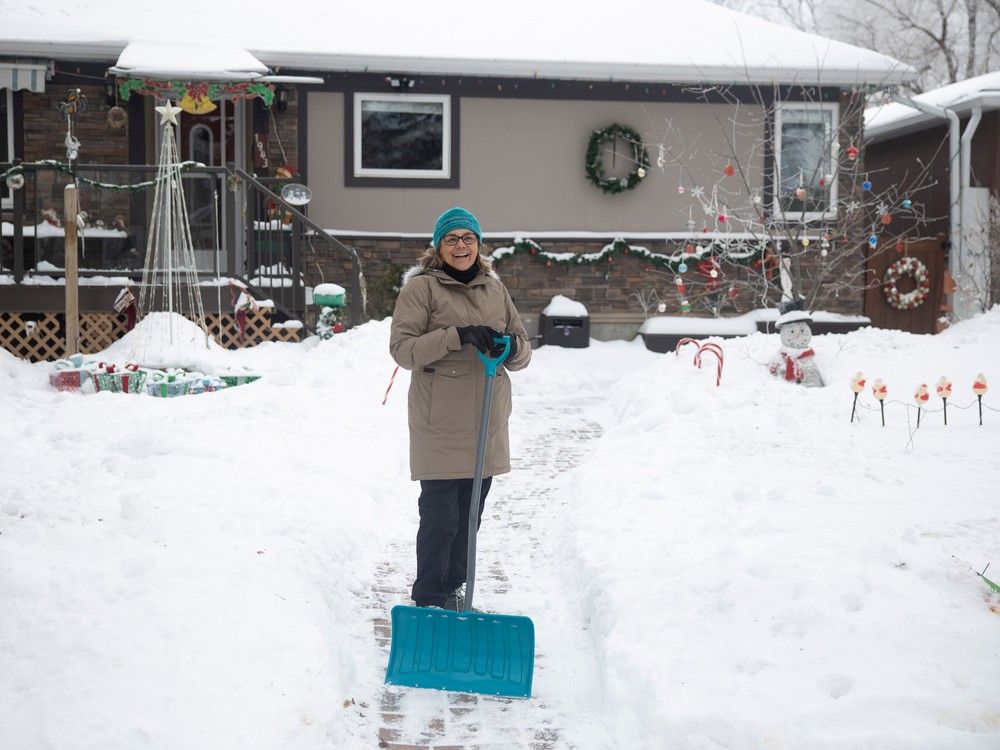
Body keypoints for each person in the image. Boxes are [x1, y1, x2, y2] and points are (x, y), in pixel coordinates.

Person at [389, 207, 531, 610]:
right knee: (440, 520)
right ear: (438, 246)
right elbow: (402, 351)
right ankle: (430, 599)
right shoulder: (421, 290)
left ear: (479, 244)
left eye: (468, 238)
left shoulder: (494, 289)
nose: (461, 246)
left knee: (470, 520)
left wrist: (511, 347)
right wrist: (457, 335)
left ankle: (454, 590)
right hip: (440, 423)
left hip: (486, 418)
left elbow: (522, 349)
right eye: (451, 239)